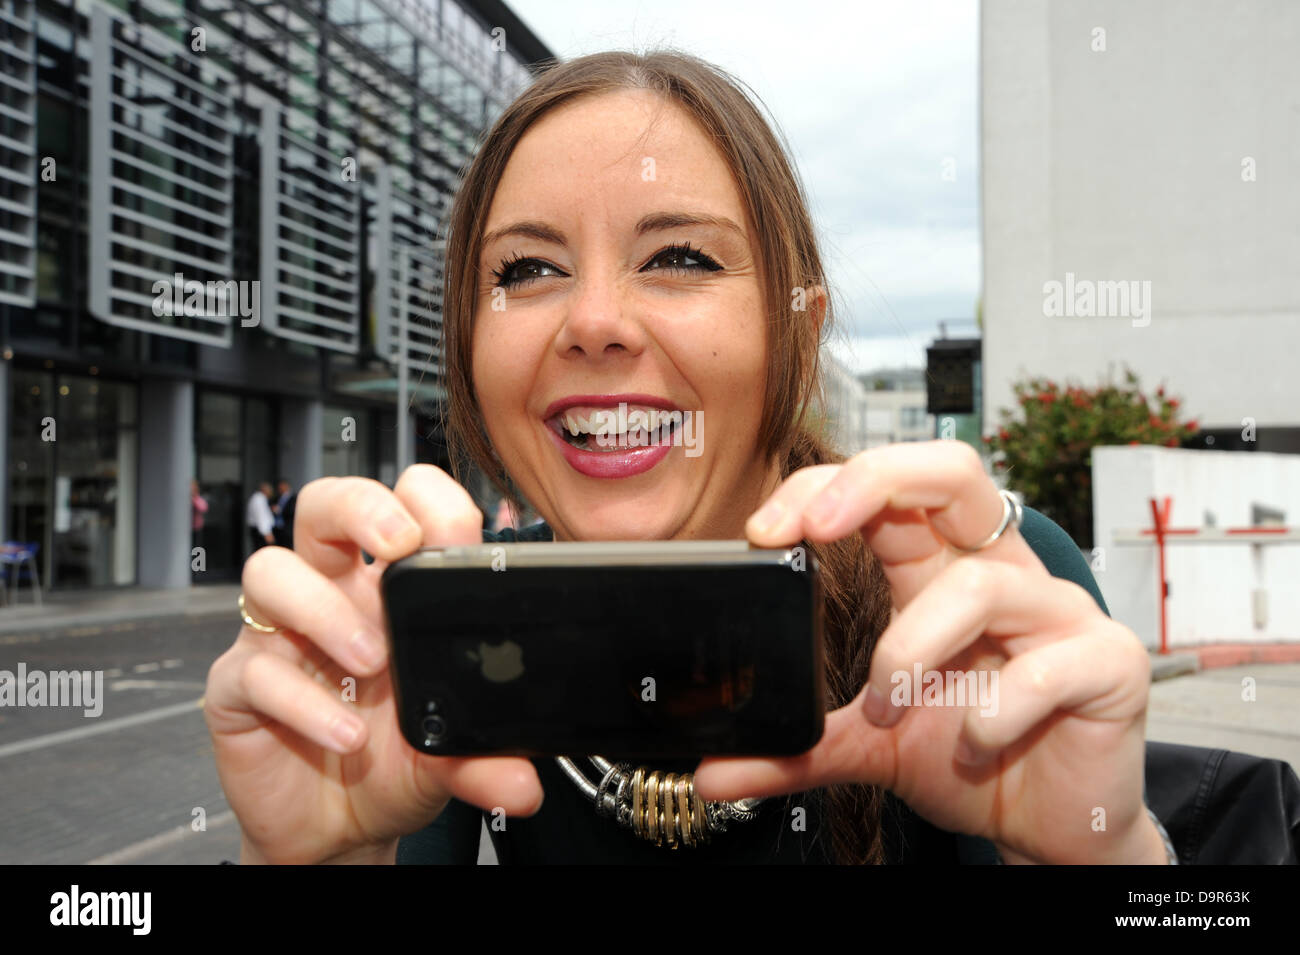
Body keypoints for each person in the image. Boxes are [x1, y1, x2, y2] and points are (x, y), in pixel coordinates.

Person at [206, 51, 1298, 865]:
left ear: (798, 327)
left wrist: (1101, 854)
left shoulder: (978, 594)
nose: (591, 320)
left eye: (678, 257)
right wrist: (308, 860)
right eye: (528, 269)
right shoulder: (443, 636)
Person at [244, 482, 275, 555]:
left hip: (260, 531)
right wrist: (267, 533)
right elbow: (261, 516)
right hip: (261, 532)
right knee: (262, 553)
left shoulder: (259, 498)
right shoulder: (259, 499)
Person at [272, 478, 293, 549]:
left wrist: (280, 511)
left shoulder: (293, 498)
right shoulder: (277, 498)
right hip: (277, 529)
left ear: (286, 486)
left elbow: (292, 511)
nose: (280, 488)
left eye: (282, 486)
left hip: (287, 529)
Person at [191, 479, 208, 550]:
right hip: (185, 530)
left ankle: (198, 561)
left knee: (197, 550)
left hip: (197, 529)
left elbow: (203, 508)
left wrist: (194, 500)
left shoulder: (198, 499)